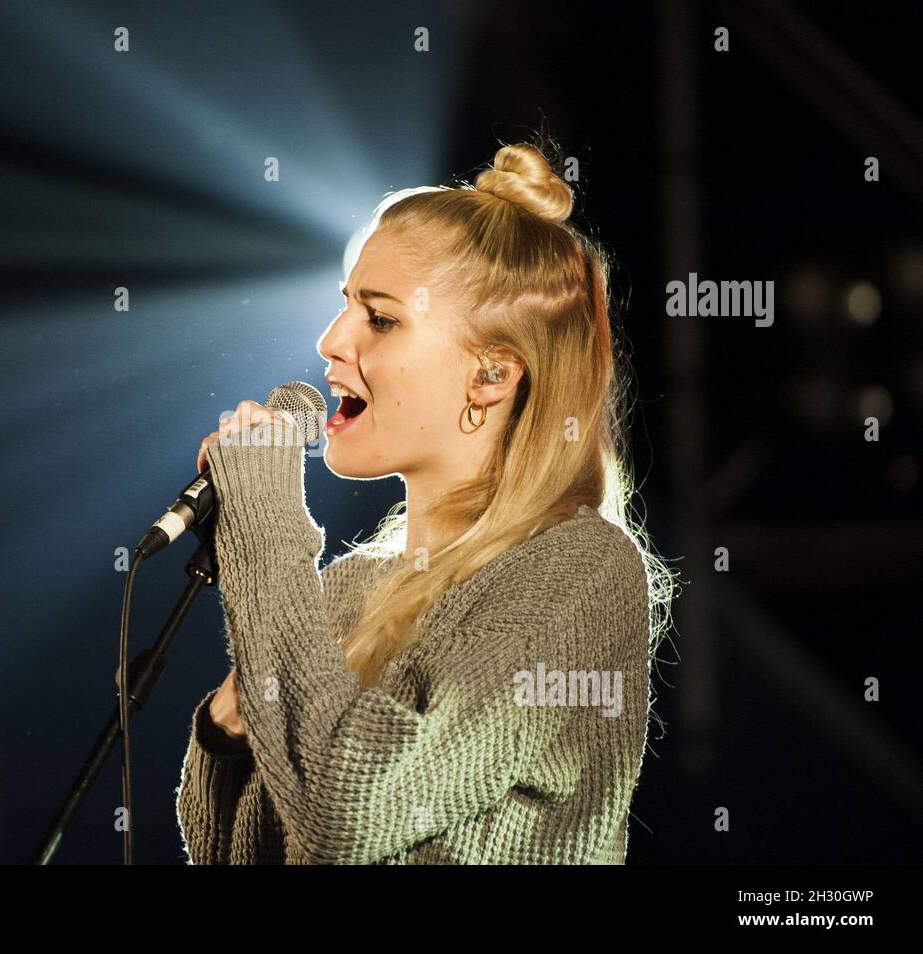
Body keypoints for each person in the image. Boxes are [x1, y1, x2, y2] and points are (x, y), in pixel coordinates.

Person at [174, 140, 675, 864]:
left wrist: (270, 538)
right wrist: (225, 733)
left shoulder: (579, 572)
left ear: (492, 376)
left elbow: (347, 811)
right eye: (345, 306)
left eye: (380, 319)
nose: (330, 341)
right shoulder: (347, 589)